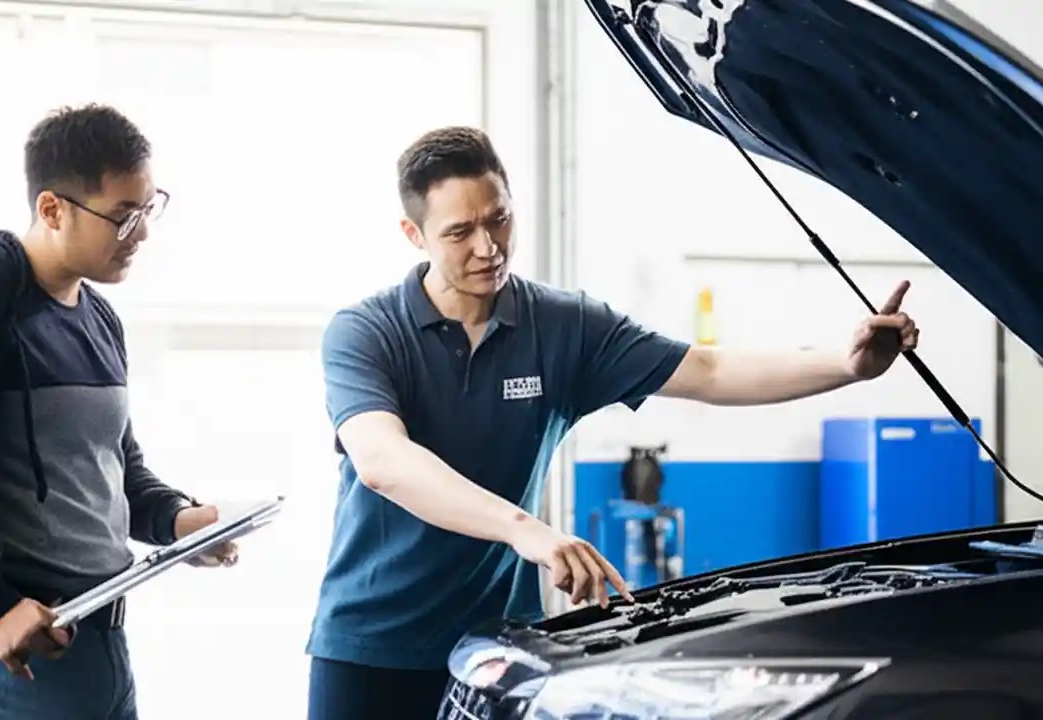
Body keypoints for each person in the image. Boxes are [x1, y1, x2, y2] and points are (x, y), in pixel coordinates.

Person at [304, 126, 920, 719]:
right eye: (460, 231)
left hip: (495, 647)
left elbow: (704, 370)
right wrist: (527, 530)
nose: (488, 247)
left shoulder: (564, 326)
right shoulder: (365, 332)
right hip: (370, 645)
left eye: (499, 219)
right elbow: (383, 463)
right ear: (414, 234)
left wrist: (847, 366)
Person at [0, 104, 237, 720]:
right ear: (52, 209)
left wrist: (178, 520)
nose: (141, 232)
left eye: (147, 209)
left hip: (103, 636)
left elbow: (115, 466)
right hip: (21, 650)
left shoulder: (98, 318)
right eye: (122, 215)